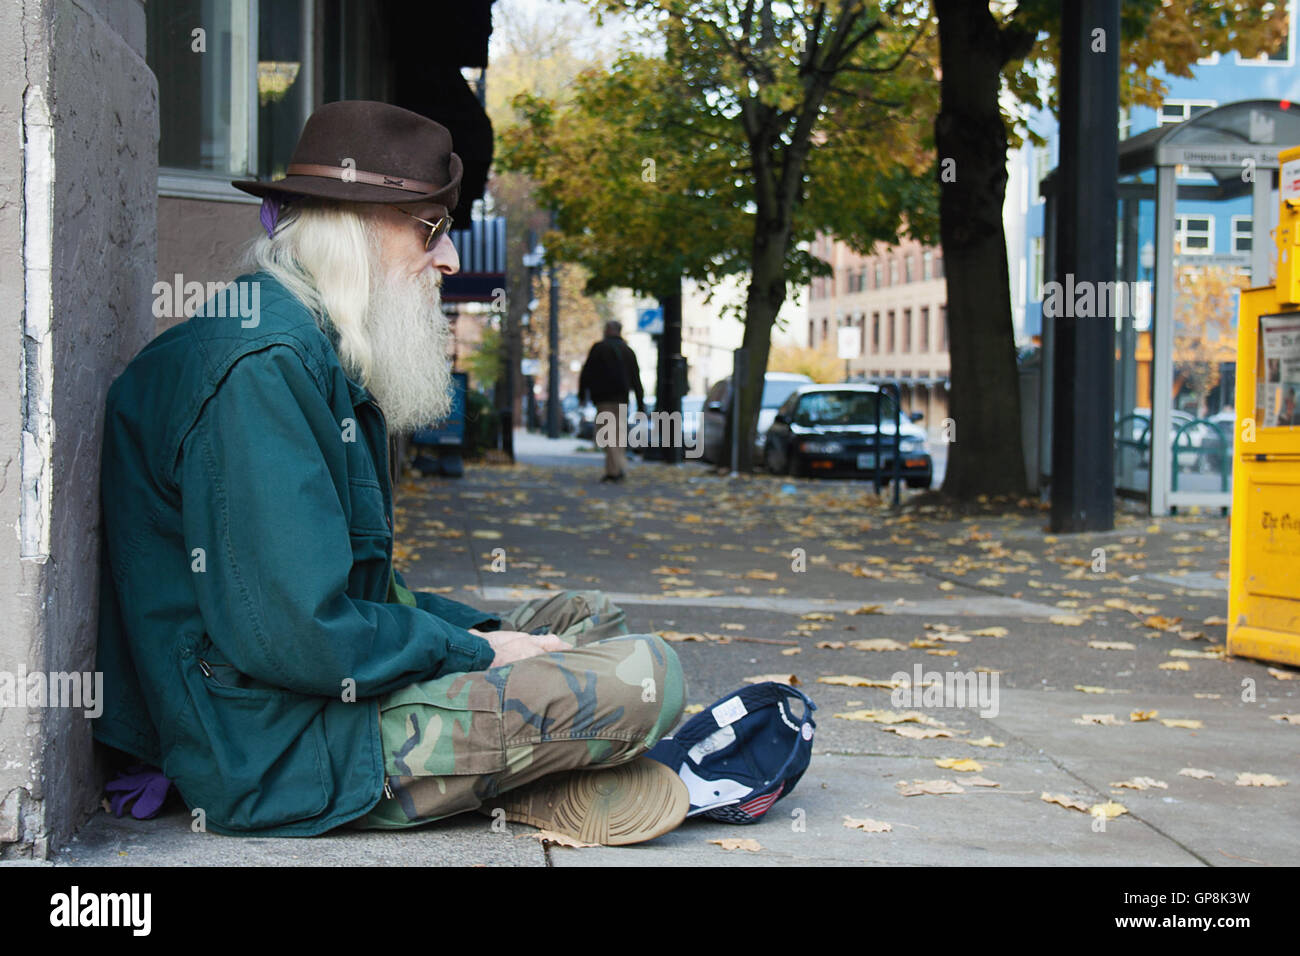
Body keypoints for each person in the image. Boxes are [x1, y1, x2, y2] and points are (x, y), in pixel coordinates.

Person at [94, 101, 687, 845]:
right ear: (349, 228)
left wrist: (489, 634)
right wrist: (477, 650)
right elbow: (302, 636)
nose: (449, 261)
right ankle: (530, 776)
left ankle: (530, 776)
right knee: (650, 676)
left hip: (300, 704)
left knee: (583, 619)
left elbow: (362, 596)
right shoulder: (265, 370)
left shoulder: (301, 346)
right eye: (429, 229)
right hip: (270, 752)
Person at [578, 321, 645, 482]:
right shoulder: (628, 351)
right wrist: (640, 403)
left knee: (607, 435)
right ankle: (613, 470)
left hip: (603, 399)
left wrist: (582, 395)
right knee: (617, 435)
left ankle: (617, 469)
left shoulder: (599, 348)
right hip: (622, 400)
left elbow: (586, 373)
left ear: (608, 330)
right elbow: (636, 379)